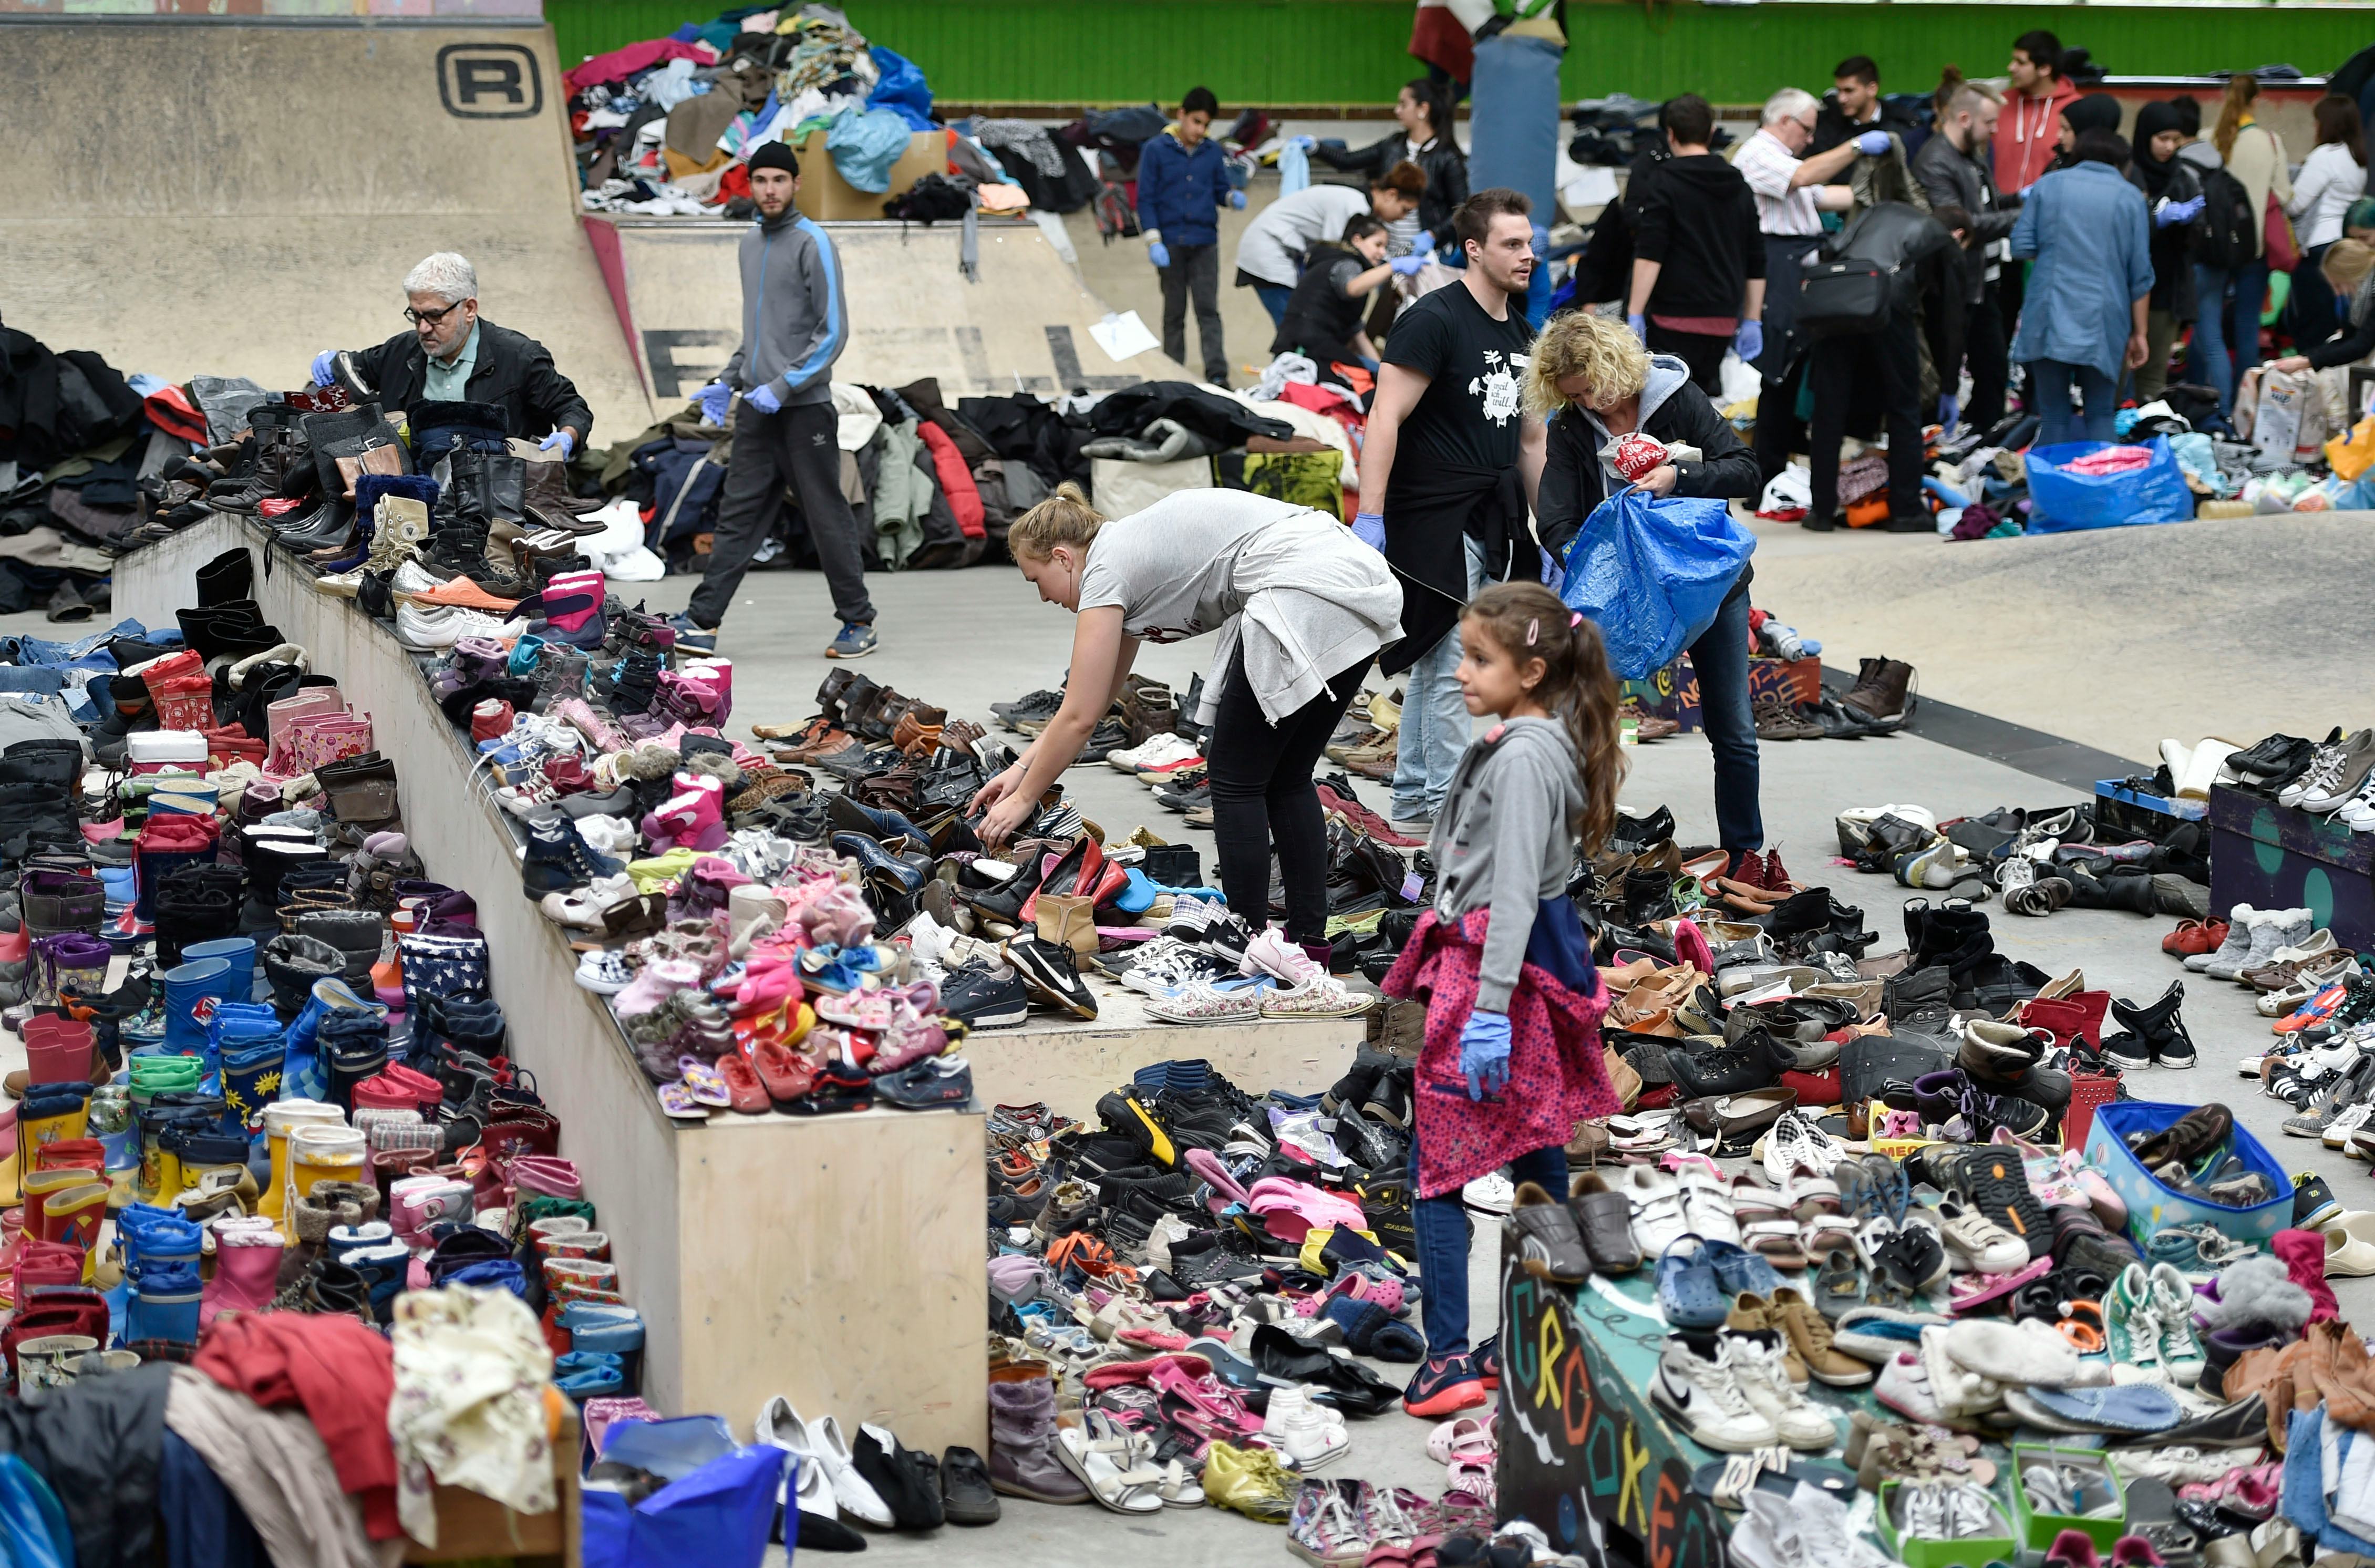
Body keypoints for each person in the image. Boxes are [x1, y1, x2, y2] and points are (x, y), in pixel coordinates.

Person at [968, 486, 1402, 967]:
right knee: (1287, 776)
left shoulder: (1106, 569)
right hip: (1353, 582)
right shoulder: (1124, 557)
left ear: (1063, 558)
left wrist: (1027, 798)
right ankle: (1306, 945)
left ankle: (1242, 945)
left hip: (1307, 586)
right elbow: (1092, 698)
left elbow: (1080, 716)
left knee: (1235, 779)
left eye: (1037, 580)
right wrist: (1022, 769)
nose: (1045, 597)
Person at [1383, 578, 1625, 1418]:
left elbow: (1517, 890)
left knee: (1439, 1168)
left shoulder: (1523, 756)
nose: (1461, 674)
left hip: (1495, 975)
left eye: (1479, 661)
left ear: (1530, 670)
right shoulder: (1535, 738)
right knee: (1535, 1141)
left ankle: (1449, 1354)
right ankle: (1551, 1323)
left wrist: (1486, 1010)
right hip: (1514, 968)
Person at [1527, 311, 1765, 868]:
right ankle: (1588, 846)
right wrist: (1593, 566)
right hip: (1622, 600)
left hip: (1708, 590)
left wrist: (1676, 477)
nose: (1586, 403)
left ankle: (1744, 853)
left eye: (1589, 389)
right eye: (1572, 395)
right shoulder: (1568, 425)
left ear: (1612, 368)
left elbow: (1746, 469)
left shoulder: (1677, 400)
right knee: (1587, 720)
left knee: (1732, 728)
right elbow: (1555, 519)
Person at [1352, 190, 1547, 834]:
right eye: (1511, 244)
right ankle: (1444, 806)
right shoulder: (1432, 319)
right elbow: (1384, 415)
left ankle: (1413, 801)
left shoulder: (1522, 331)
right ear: (1473, 249)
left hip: (1494, 513)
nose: (1528, 254)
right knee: (1452, 661)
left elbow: (1529, 440)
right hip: (1431, 507)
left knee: (1445, 657)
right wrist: (1371, 516)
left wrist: (1545, 529)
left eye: (1528, 242)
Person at [676, 142, 874, 660]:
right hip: (758, 413)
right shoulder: (749, 243)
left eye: (778, 180)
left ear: (795, 184)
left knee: (825, 513)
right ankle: (701, 620)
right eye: (760, 180)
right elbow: (759, 336)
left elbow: (833, 334)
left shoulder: (813, 242)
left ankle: (858, 620)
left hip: (804, 410)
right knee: (737, 516)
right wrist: (729, 377)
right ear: (749, 184)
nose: (769, 190)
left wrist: (783, 385)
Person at [309, 253, 591, 452]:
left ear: (469, 309)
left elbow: (572, 408)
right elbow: (351, 366)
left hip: (495, 492)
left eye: (434, 316)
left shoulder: (519, 357)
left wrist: (568, 437)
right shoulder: (401, 350)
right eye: (415, 315)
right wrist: (328, 360)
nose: (423, 328)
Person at [1803, 202, 1967, 529]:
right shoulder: (1943, 240)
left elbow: (1833, 247)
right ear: (1960, 235)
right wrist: (1948, 386)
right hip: (1887, 302)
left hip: (1839, 296)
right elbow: (1949, 320)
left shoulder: (1880, 211)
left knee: (1829, 407)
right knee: (1904, 408)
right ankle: (1906, 511)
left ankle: (1820, 511)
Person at [1736, 87, 1868, 483]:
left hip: (1802, 268)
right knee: (1779, 371)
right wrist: (1858, 146)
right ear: (1784, 121)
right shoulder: (1756, 154)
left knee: (1796, 373)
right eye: (1807, 130)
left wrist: (1882, 189)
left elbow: (1824, 194)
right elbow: (1806, 176)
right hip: (1779, 268)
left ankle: (1781, 470)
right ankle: (1767, 475)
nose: (1810, 140)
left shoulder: (1783, 159)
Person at [2011, 129, 2154, 445]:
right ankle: (2101, 491)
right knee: (2102, 414)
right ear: (2122, 163)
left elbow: (2021, 246)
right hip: (2105, 318)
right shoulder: (2130, 197)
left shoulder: (2048, 186)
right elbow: (2140, 275)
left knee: (2053, 415)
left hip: (2049, 312)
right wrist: (2140, 334)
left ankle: (2050, 492)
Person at [1625, 94, 1764, 397]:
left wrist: (1635, 312)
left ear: (1671, 134)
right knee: (1705, 410)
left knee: (1668, 409)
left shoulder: (1665, 181)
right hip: (1724, 320)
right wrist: (1753, 319)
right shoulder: (1738, 185)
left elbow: (1651, 252)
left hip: (1673, 317)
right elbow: (1756, 257)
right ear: (1712, 132)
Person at [1914, 83, 2020, 430]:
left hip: (1983, 283)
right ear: (1964, 118)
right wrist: (2023, 217)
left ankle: (1984, 448)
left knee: (1992, 376)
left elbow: (1986, 206)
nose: (1995, 129)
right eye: (1989, 121)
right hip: (1954, 290)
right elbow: (1963, 225)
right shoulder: (1935, 162)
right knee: (1944, 378)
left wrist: (2022, 199)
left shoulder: (1972, 156)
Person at [2190, 74, 2293, 409]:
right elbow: (2285, 195)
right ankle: (2242, 406)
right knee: (2247, 328)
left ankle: (2199, 398)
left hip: (2213, 249)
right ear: (2256, 101)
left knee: (2206, 327)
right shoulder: (2270, 142)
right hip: (2254, 249)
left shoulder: (2208, 139)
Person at [1137, 86, 1245, 387]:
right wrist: (1154, 240)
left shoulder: (1212, 151)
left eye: (1206, 125)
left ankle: (1218, 374)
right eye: (1196, 122)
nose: (1200, 130)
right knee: (1174, 311)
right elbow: (1145, 199)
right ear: (1181, 115)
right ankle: (1173, 372)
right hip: (1170, 243)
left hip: (1204, 243)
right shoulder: (1156, 150)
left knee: (1208, 310)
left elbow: (1220, 189)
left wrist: (1231, 198)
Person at [1233, 163, 1426, 326]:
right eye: (1405, 210)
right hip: (1268, 249)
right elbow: (1331, 258)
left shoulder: (1357, 202)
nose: (1402, 218)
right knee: (1295, 330)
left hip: (1277, 249)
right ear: (1391, 195)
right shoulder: (1353, 205)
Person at [1306, 79, 1472, 261]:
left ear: (1423, 109)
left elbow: (1461, 208)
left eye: (1403, 104)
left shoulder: (1448, 157)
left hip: (1427, 254)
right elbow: (1348, 160)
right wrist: (1316, 147)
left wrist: (1433, 235)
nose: (1397, 111)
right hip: (1385, 250)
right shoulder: (1392, 145)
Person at [2126, 101, 2208, 403]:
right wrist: (2154, 220)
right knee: (2118, 374)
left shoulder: (2184, 177)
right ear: (2146, 136)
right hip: (2127, 289)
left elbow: (2197, 240)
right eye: (2162, 139)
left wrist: (2191, 222)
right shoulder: (2128, 174)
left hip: (2166, 289)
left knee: (2154, 373)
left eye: (2176, 140)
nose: (2170, 147)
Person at [1271, 216, 1414, 373]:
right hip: (1306, 347)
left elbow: (1356, 331)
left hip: (1309, 344)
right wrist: (1394, 267)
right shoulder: (1347, 264)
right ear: (1357, 240)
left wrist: (1383, 371)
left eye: (1385, 248)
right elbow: (1352, 288)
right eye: (1378, 245)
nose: (1383, 253)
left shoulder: (1341, 264)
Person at [2287, 96, 2369, 347]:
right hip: (2341, 244)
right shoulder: (2358, 159)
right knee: (2333, 322)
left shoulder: (2325, 156)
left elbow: (2296, 204)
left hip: (2317, 247)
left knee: (2310, 326)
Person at [2271, 238, 2375, 374]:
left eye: (2339, 285)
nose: (2338, 294)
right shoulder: (2363, 298)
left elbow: (2361, 346)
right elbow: (2350, 339)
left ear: (2353, 275)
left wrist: (2307, 362)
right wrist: (2306, 358)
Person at [1995, 29, 2079, 198]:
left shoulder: (2075, 109)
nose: (2011, 68)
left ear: (2045, 69)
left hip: (2049, 211)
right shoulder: (2000, 104)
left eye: (2020, 62)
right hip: (1996, 213)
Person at [1812, 56, 1920, 154]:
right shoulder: (1827, 123)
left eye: (1849, 91)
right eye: (1839, 91)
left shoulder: (1903, 125)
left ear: (1872, 89)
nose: (1841, 99)